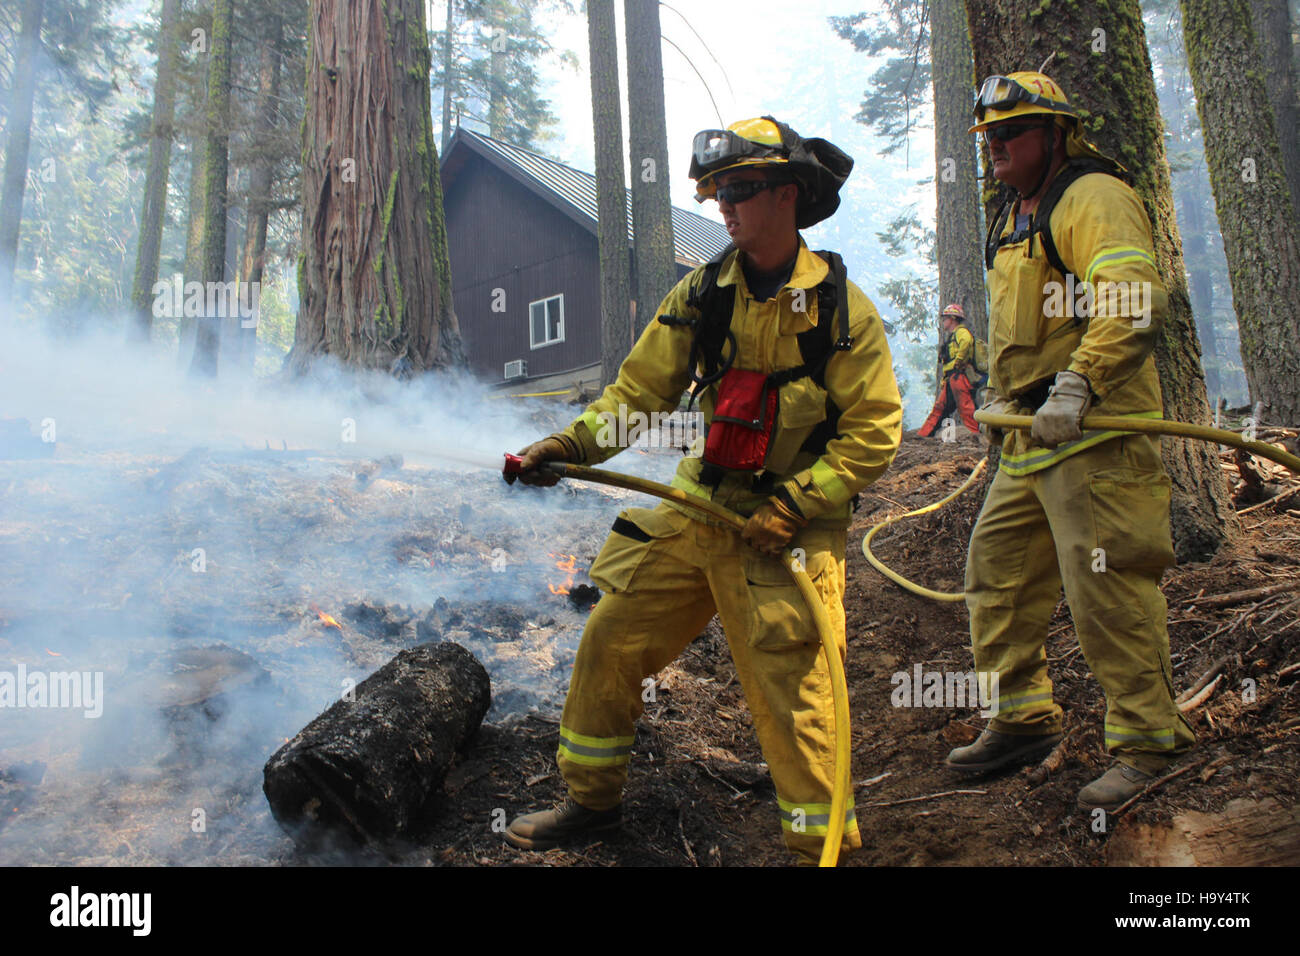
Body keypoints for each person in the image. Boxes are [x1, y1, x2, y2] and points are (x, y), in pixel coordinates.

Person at [502, 116, 902, 864]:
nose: (724, 203)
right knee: (609, 640)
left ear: (788, 194)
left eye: (741, 188)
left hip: (790, 530)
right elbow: (638, 392)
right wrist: (568, 445)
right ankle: (591, 803)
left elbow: (875, 430)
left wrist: (794, 504)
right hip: (701, 510)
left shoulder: (842, 310)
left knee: (800, 703)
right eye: (717, 189)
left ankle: (822, 854)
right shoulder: (702, 293)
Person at [946, 72, 1195, 810]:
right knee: (997, 573)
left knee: (1107, 586)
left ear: (1055, 135)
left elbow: (1131, 296)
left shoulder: (1091, 198)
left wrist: (1080, 383)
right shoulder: (1014, 213)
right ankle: (1022, 717)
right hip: (1031, 436)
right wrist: (1006, 391)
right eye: (989, 136)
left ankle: (1151, 742)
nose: (995, 146)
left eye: (1011, 132)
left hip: (1095, 430)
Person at [918, 303, 979, 437]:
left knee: (966, 407)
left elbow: (967, 341)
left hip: (959, 376)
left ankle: (976, 435)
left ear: (952, 319)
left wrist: (959, 360)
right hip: (952, 378)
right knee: (940, 408)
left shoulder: (961, 332)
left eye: (945, 318)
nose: (943, 322)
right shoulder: (953, 336)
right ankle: (923, 435)